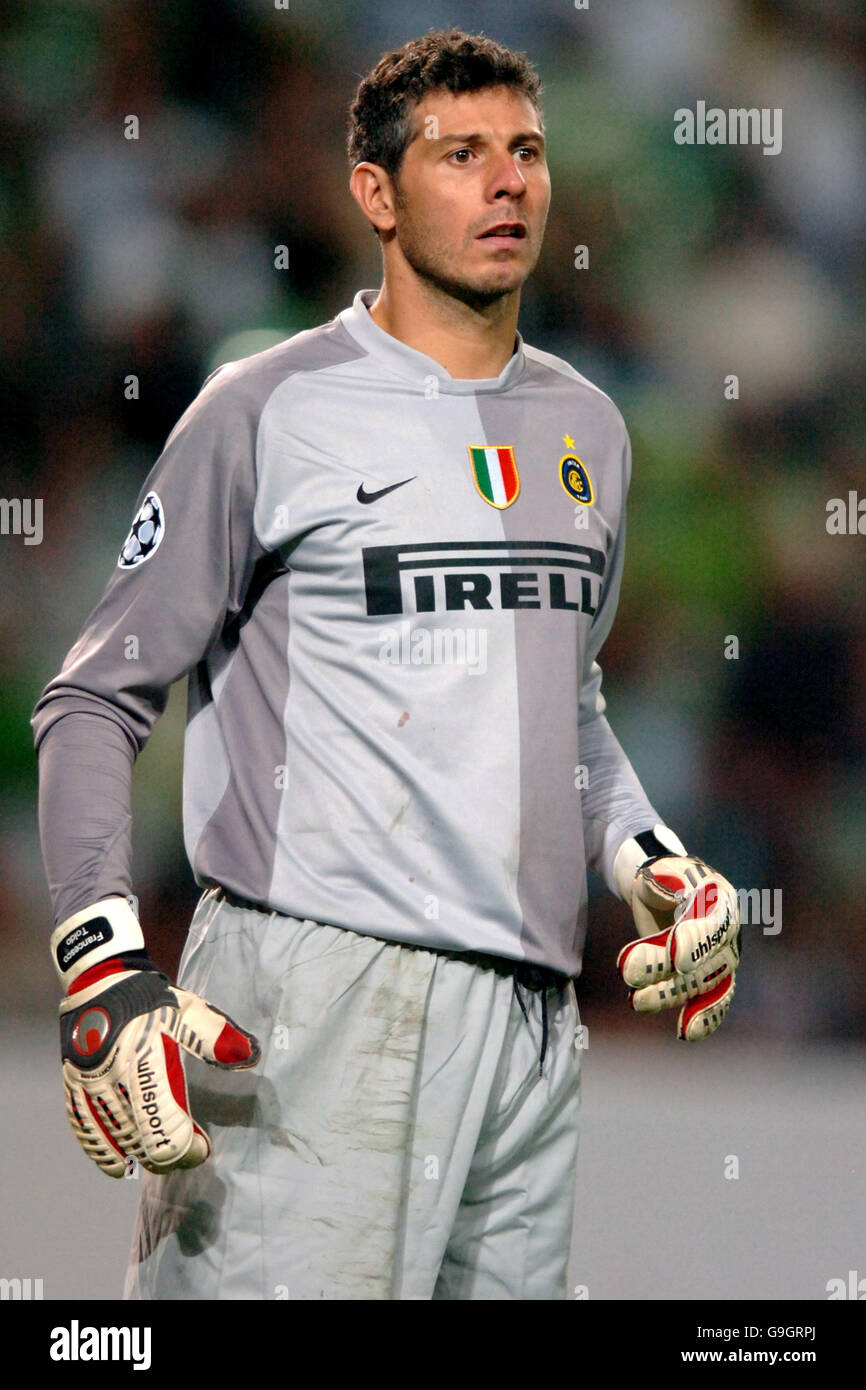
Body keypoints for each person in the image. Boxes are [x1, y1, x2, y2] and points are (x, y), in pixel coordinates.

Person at [31, 29, 741, 1301]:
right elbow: (94, 693)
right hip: (310, 1000)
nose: (507, 182)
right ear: (374, 193)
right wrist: (101, 964)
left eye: (524, 151)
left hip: (529, 1028)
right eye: (459, 154)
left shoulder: (589, 426)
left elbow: (562, 707)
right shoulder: (263, 409)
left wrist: (652, 860)